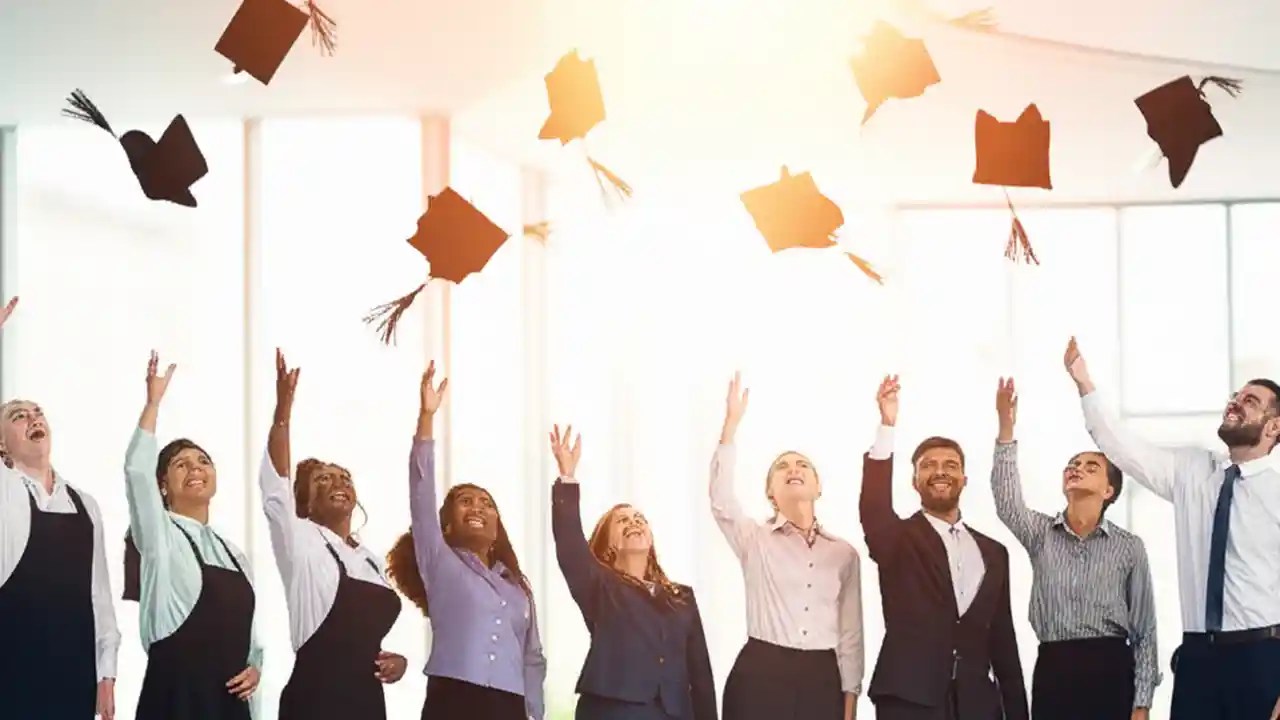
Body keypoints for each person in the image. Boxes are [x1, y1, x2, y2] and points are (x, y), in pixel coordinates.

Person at [1065, 336, 1280, 720]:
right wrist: (1085, 384)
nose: (1236, 402)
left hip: (1262, 658)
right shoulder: (1193, 471)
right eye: (1236, 395)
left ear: (1274, 426)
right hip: (1198, 660)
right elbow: (1122, 447)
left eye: (1251, 402)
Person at [384, 361, 546, 720]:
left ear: (497, 526)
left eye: (487, 504)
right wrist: (426, 417)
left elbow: (532, 657)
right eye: (466, 501)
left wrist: (535, 713)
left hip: (509, 705)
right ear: (447, 526)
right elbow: (421, 492)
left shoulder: (518, 587)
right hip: (454, 698)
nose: (477, 507)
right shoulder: (439, 561)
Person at [990, 376, 1159, 720]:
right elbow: (1008, 503)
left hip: (1112, 671)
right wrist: (1006, 428)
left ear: (1109, 490)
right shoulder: (1041, 533)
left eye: (1090, 466)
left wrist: (1141, 705)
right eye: (1072, 465)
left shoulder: (1129, 547)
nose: (1076, 469)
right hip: (1055, 671)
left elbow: (1145, 630)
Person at [860, 374, 1027, 720]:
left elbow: (1003, 641)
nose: (940, 472)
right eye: (929, 466)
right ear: (914, 480)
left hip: (977, 704)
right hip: (909, 701)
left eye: (951, 466)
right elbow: (873, 507)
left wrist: (1016, 713)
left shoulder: (994, 553)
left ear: (964, 479)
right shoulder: (896, 539)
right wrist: (887, 426)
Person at [260, 349, 408, 719]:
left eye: (344, 478)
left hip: (367, 704)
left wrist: (398, 662)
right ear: (306, 502)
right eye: (323, 479)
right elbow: (275, 486)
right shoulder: (299, 538)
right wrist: (283, 414)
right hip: (315, 701)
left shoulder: (370, 560)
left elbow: (364, 639)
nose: (337, 482)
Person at [711, 372, 865, 720]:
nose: (793, 469)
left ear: (818, 487)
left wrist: (850, 703)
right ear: (770, 492)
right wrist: (730, 427)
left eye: (803, 465)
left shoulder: (844, 554)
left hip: (822, 676)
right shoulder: (754, 539)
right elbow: (720, 499)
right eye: (782, 467)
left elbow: (850, 633)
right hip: (760, 675)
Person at [0, 296, 122, 720]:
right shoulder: (5, 492)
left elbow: (99, 598)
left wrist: (106, 675)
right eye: (18, 415)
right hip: (10, 676)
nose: (32, 417)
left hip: (73, 680)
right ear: (1, 444)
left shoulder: (85, 506)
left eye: (37, 412)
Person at [123, 351, 263, 719]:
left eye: (202, 461)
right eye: (180, 464)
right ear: (162, 488)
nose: (195, 468)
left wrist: (255, 668)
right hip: (175, 697)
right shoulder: (159, 537)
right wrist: (153, 404)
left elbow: (251, 637)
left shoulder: (234, 554)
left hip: (229, 704)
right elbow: (136, 470)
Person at [548, 424, 718, 720]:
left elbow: (700, 673)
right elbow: (569, 545)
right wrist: (567, 477)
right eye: (622, 521)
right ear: (608, 544)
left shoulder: (682, 597)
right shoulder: (600, 586)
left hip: (674, 712)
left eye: (639, 519)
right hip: (613, 708)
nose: (634, 523)